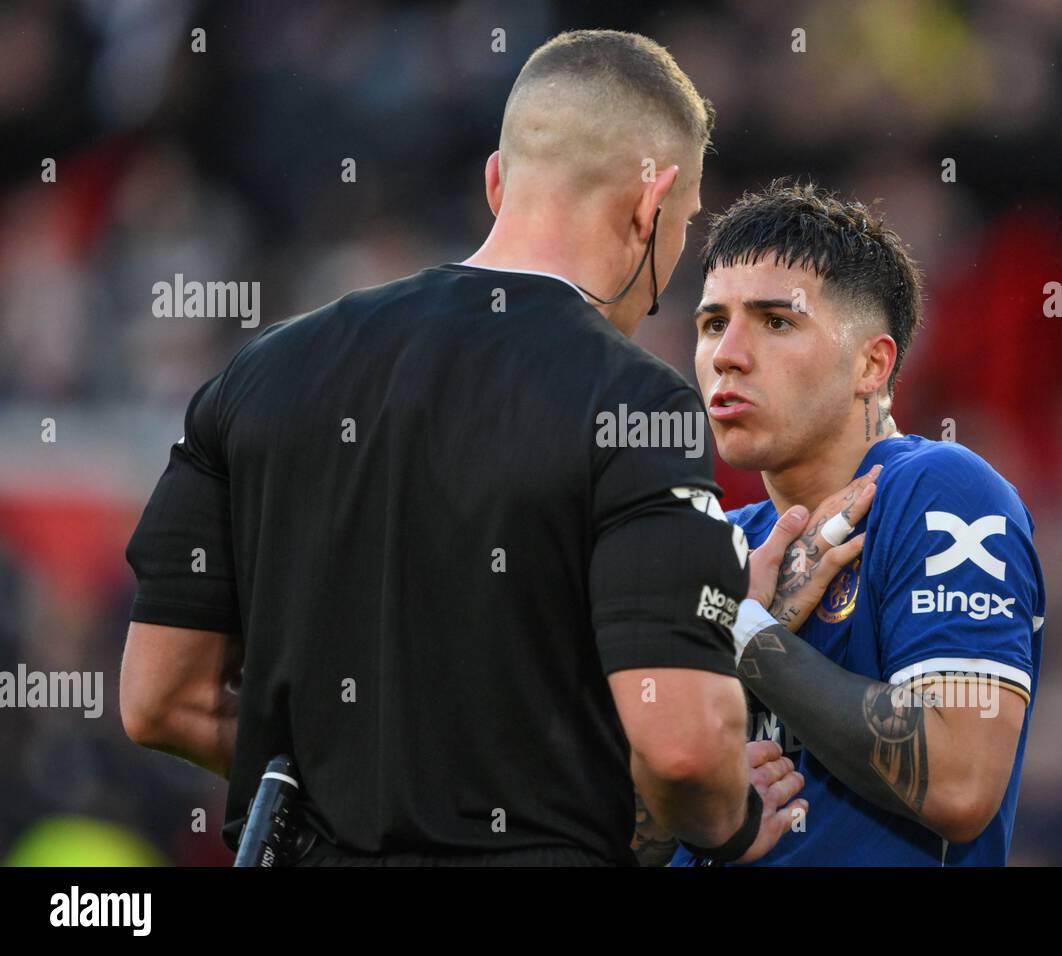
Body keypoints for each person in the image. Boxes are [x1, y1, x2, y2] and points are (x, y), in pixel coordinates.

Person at [119, 31, 807, 867]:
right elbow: (684, 751)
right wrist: (730, 823)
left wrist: (349, 783)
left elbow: (160, 699)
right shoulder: (635, 402)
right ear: (650, 203)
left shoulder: (260, 371)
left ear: (495, 183)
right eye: (685, 226)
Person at [668, 179, 1046, 865]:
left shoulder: (941, 491)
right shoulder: (712, 542)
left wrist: (745, 632)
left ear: (872, 363)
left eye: (776, 322)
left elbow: (960, 779)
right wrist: (706, 803)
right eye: (713, 322)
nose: (726, 354)